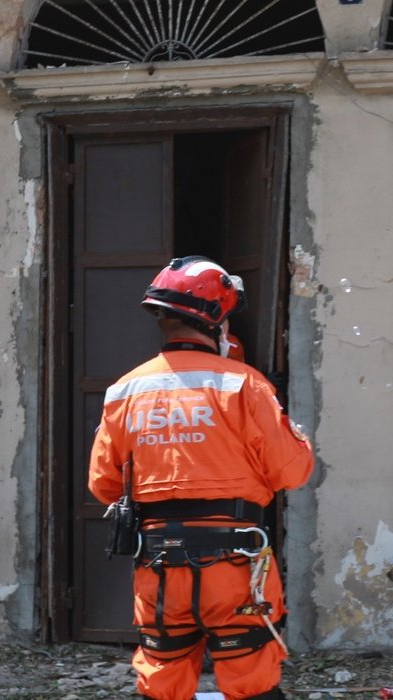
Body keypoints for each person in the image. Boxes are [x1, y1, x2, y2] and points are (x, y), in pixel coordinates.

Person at [89, 256, 315, 700]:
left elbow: (103, 485)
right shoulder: (245, 386)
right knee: (252, 679)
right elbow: (293, 472)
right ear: (216, 320)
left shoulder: (125, 390)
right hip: (234, 569)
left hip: (158, 568)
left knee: (162, 679)